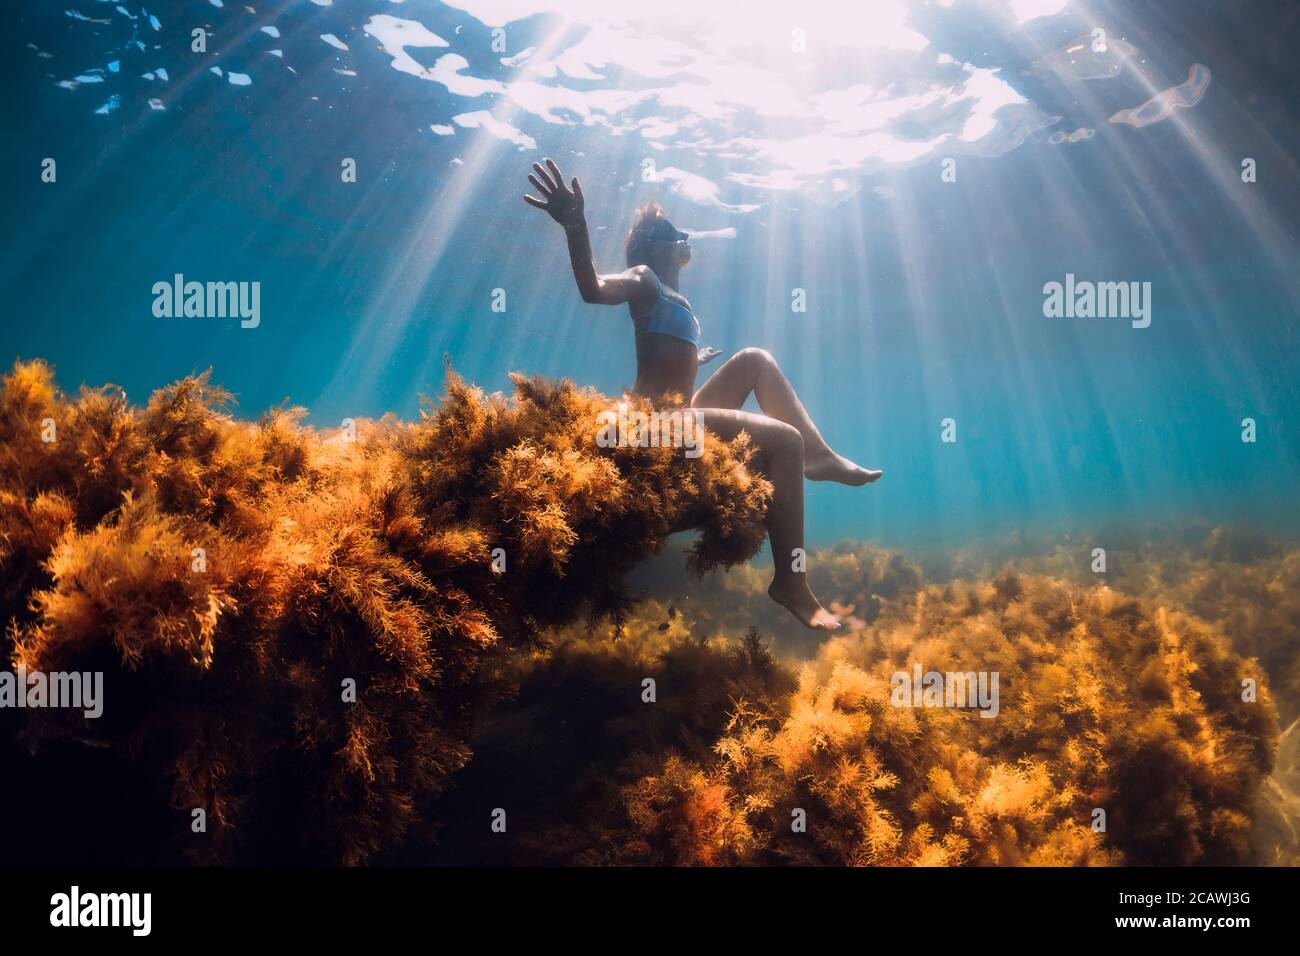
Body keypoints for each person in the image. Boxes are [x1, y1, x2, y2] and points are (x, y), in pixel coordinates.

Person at [524, 158, 882, 629]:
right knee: (783, 440)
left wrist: (695, 359)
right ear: (652, 246)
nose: (685, 237)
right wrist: (575, 225)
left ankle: (818, 457)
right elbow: (592, 288)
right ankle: (790, 582)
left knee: (754, 359)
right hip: (650, 427)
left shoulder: (682, 303)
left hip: (680, 419)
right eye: (673, 232)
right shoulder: (644, 278)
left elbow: (666, 354)